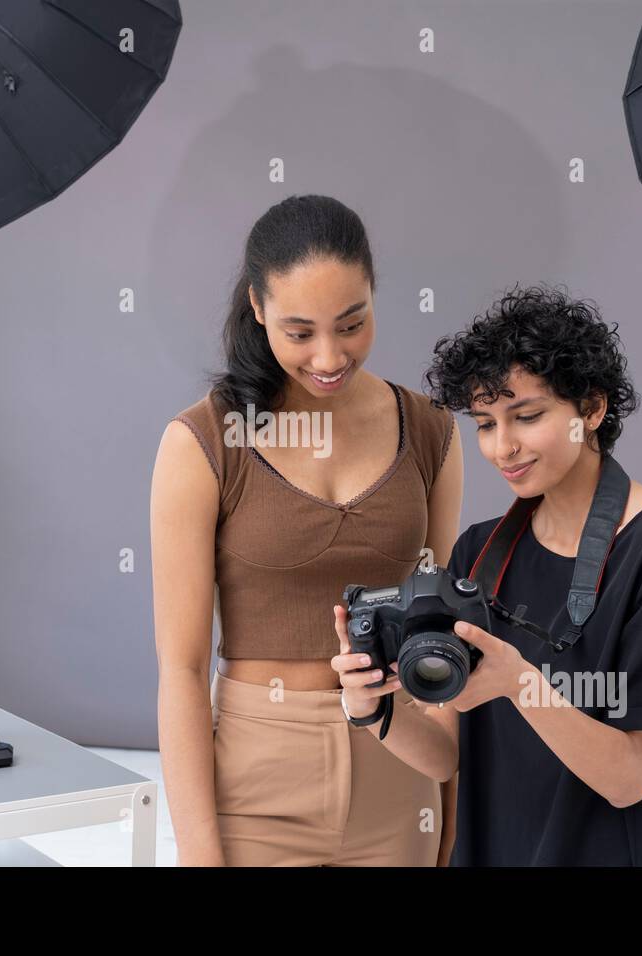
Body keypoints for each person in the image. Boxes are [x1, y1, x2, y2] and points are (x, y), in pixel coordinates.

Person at [335, 285, 642, 865]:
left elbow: (630, 778)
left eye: (528, 416)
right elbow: (446, 754)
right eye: (486, 423)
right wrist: (369, 709)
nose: (503, 447)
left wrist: (520, 683)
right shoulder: (480, 551)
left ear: (591, 409)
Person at [152, 195, 464, 866]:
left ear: (374, 294)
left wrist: (448, 803)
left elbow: (442, 629)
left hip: (397, 757)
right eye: (300, 332)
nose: (329, 355)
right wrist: (199, 852)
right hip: (257, 780)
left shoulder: (432, 431)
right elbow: (180, 668)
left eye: (351, 324)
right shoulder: (204, 443)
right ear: (258, 309)